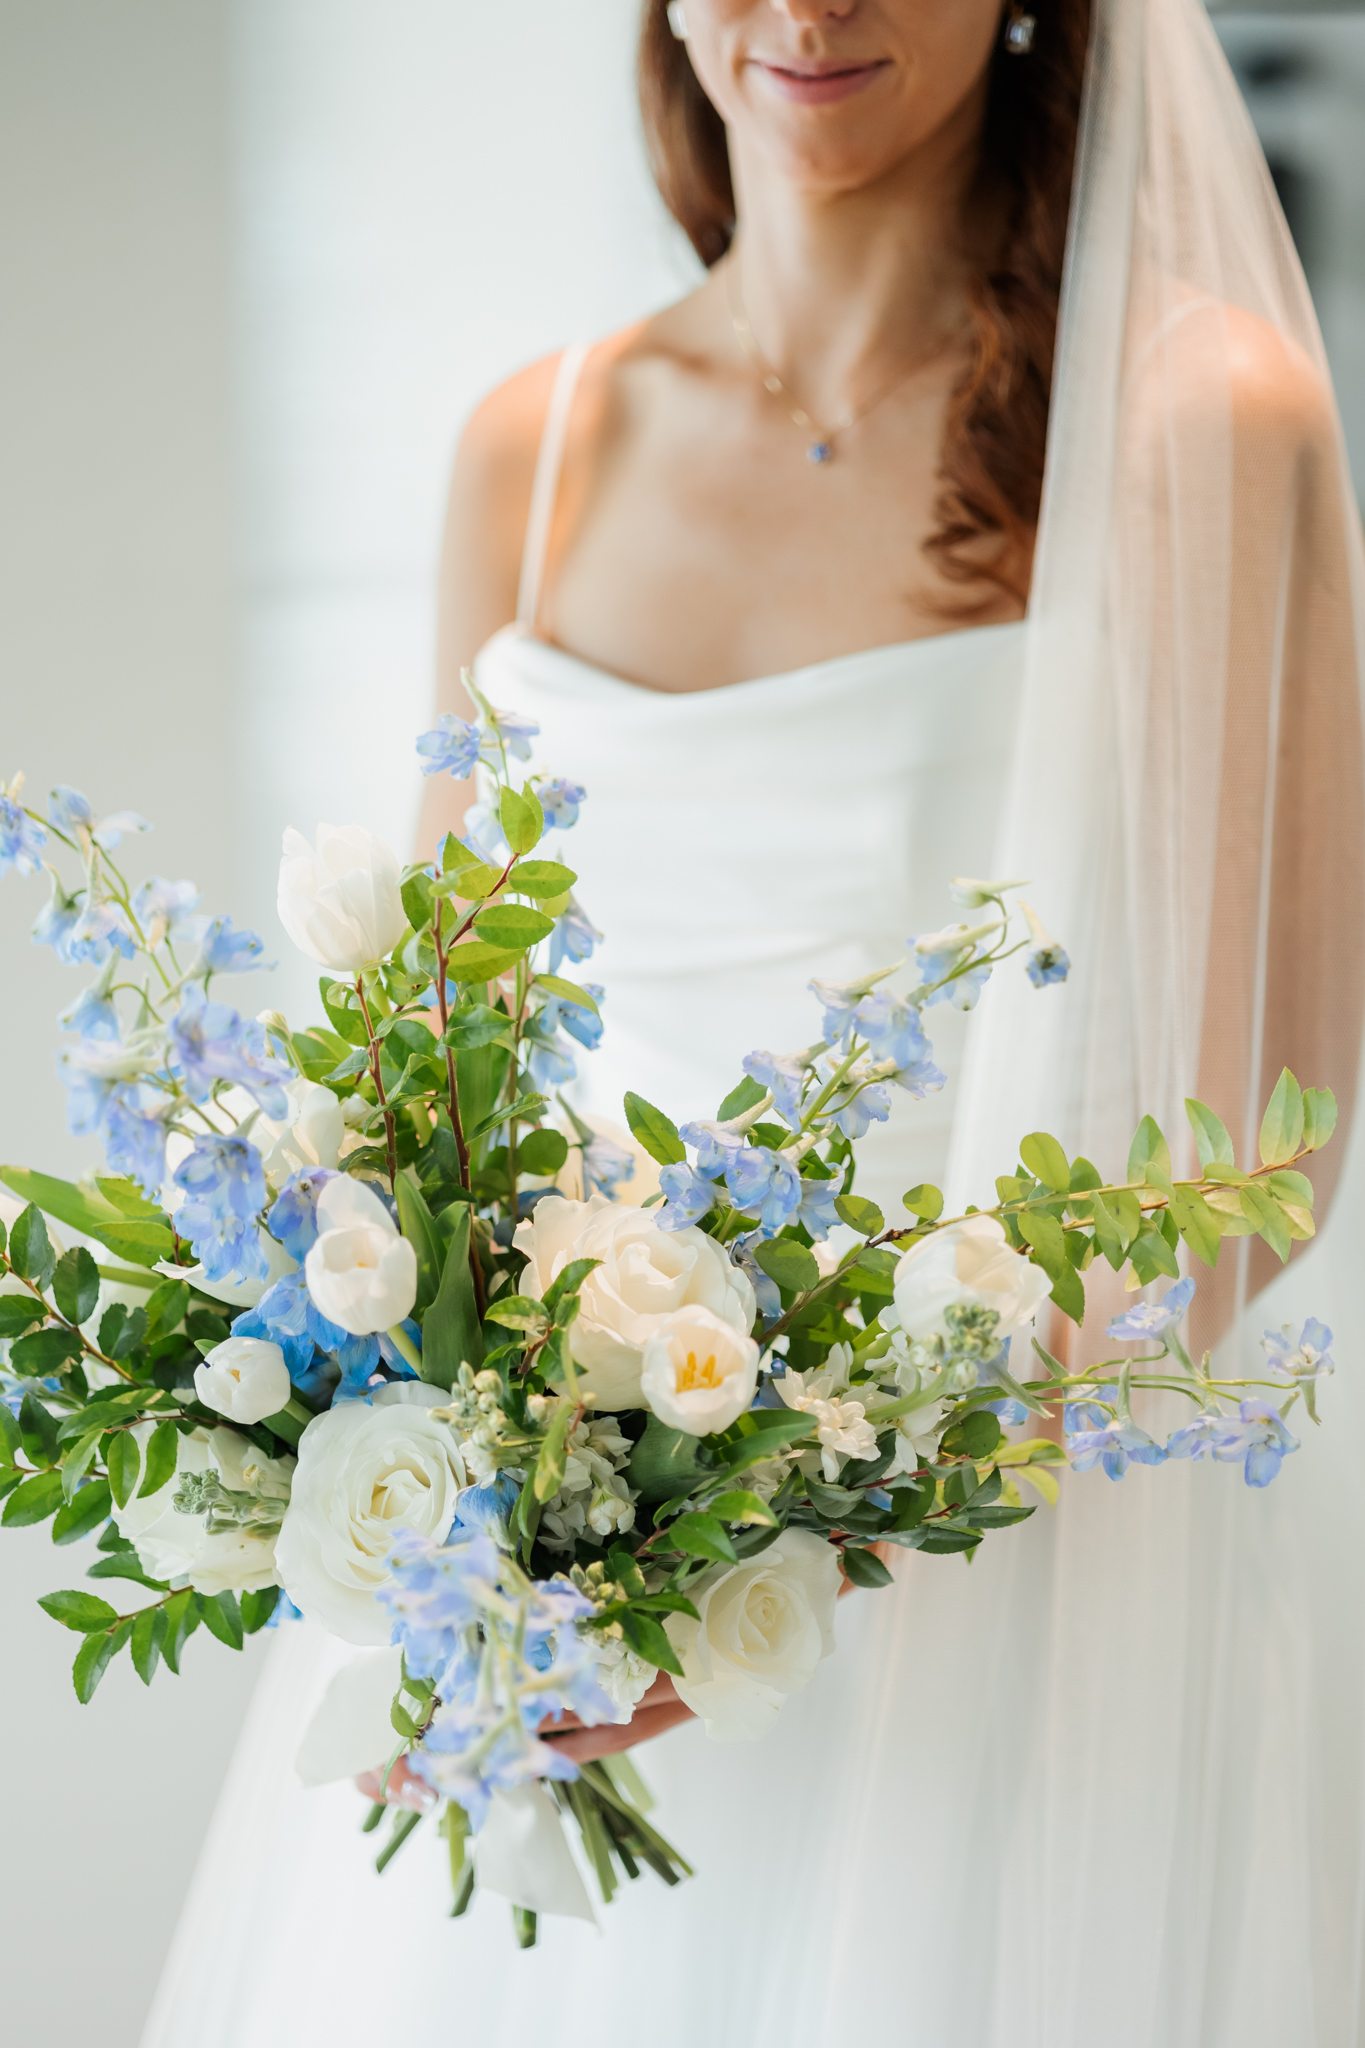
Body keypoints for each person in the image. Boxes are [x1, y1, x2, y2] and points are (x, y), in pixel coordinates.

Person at [144, 2, 1365, 2043]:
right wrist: (494, 1499)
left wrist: (766, 1551)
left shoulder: (1195, 417)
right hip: (562, 1596)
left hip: (1019, 1591)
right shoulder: (534, 448)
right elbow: (431, 1089)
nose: (802, 13)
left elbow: (1254, 1150)